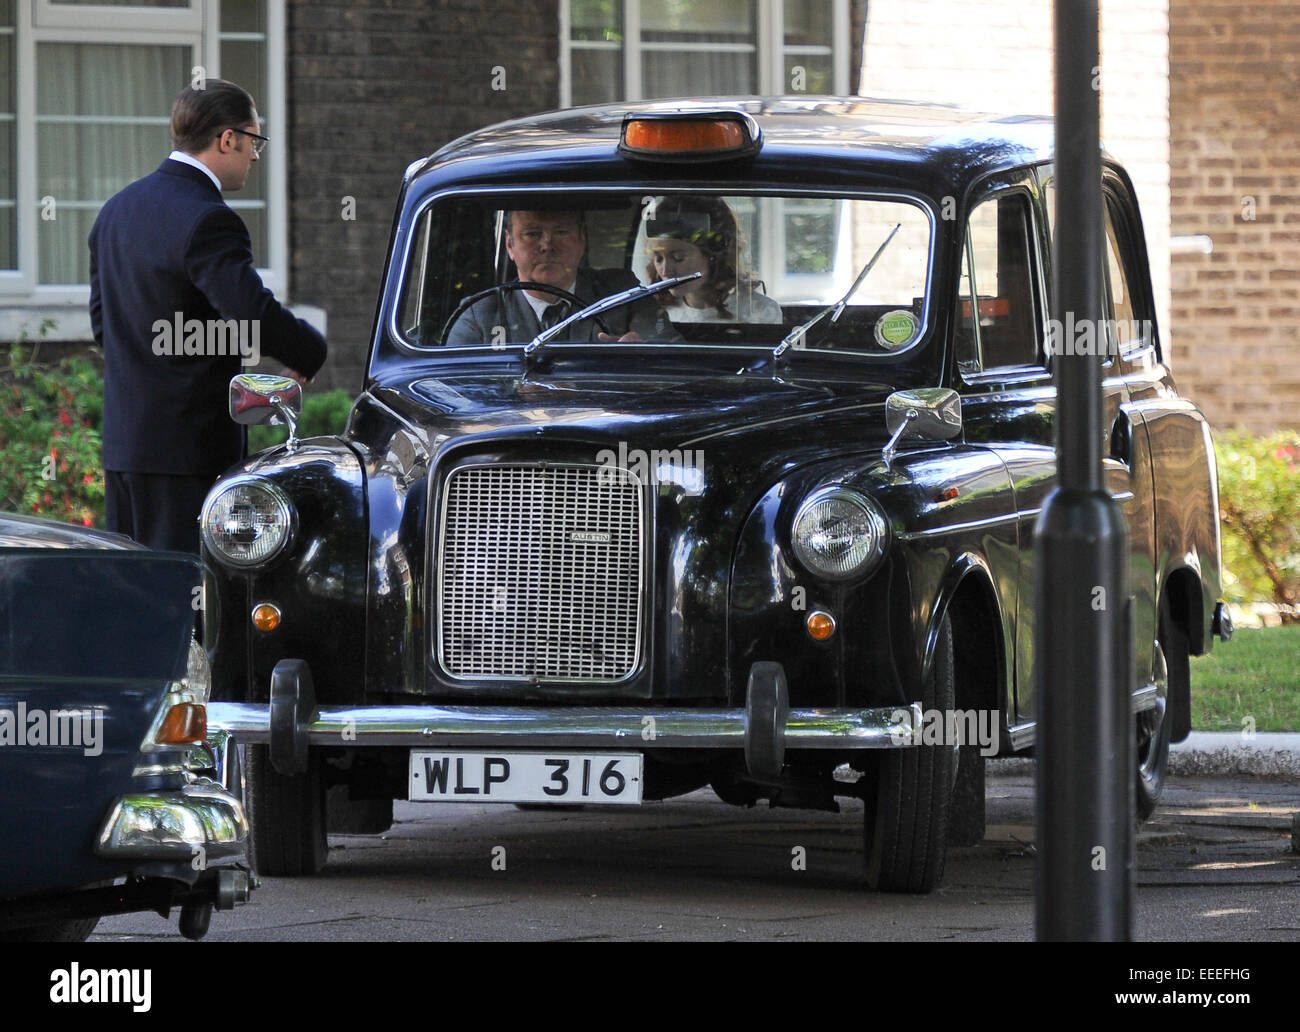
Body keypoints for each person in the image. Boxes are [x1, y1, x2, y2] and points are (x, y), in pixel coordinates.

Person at [89, 78, 326, 553]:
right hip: (188, 452)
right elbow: (249, 312)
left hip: (125, 449)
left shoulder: (115, 211)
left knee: (140, 600)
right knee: (192, 603)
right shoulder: (208, 218)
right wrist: (309, 348)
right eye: (254, 141)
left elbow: (104, 325)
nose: (256, 156)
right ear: (228, 139)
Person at [444, 209, 673, 346]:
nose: (547, 245)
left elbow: (675, 360)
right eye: (532, 234)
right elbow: (454, 391)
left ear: (582, 239)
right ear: (510, 245)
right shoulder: (480, 315)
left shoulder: (623, 296)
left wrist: (642, 355)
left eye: (561, 232)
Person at [643, 195, 783, 324]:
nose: (666, 270)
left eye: (678, 257)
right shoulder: (657, 313)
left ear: (714, 255)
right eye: (659, 258)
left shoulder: (759, 312)